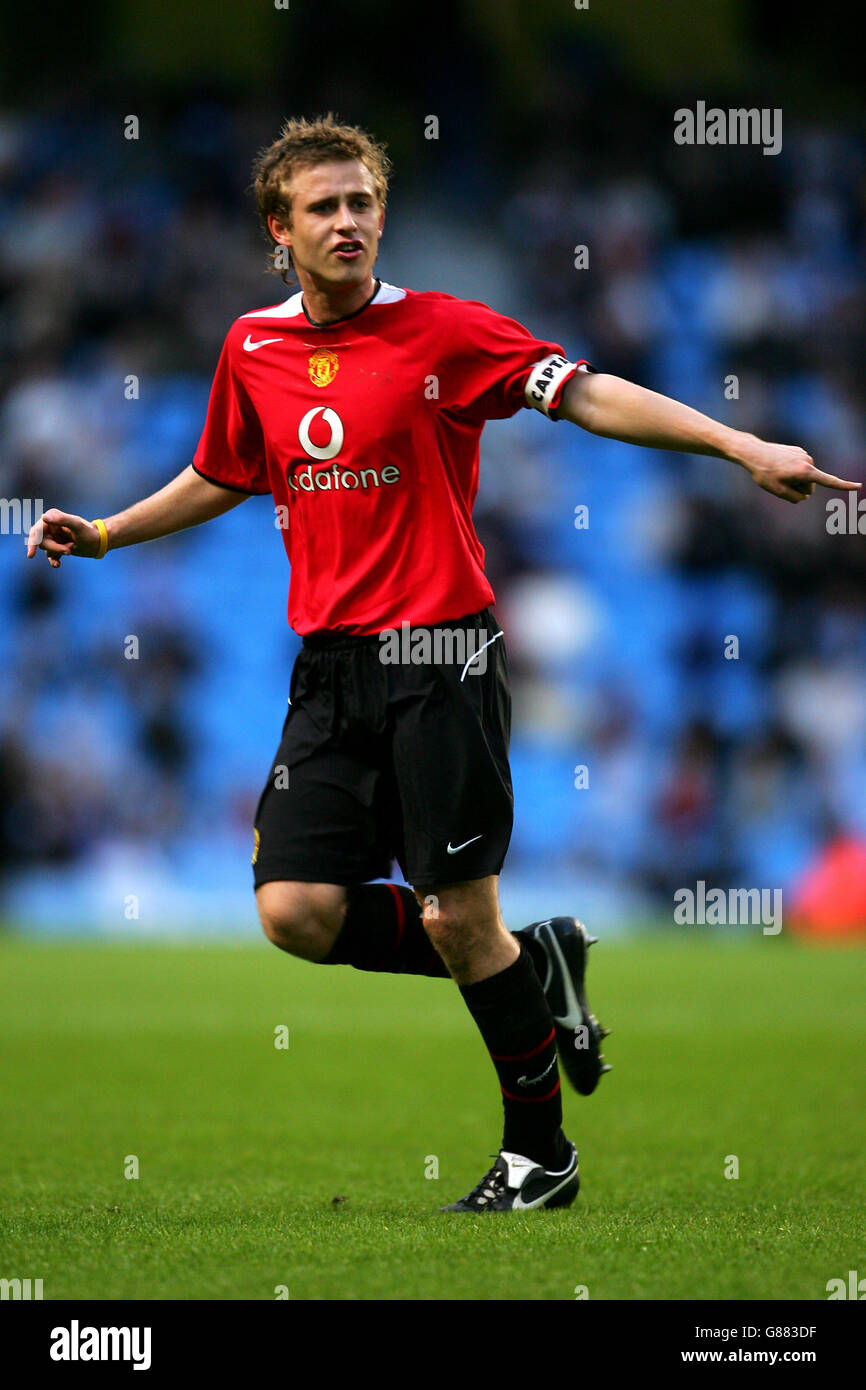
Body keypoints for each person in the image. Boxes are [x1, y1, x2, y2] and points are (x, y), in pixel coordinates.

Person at [27, 115, 860, 1214]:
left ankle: (539, 1156)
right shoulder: (250, 349)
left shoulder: (442, 333)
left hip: (440, 655)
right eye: (321, 207)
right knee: (294, 910)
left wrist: (740, 446)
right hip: (328, 668)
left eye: (361, 203)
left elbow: (589, 391)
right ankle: (540, 967)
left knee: (455, 915)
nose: (346, 223)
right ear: (278, 229)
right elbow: (223, 471)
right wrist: (109, 529)